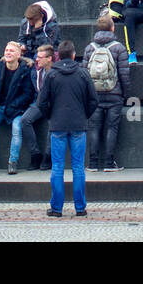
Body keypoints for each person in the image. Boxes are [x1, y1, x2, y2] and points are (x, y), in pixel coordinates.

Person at [34, 38, 98, 217]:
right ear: (74, 55)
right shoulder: (83, 73)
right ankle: (80, 208)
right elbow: (94, 100)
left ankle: (56, 208)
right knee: (78, 167)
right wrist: (84, 114)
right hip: (78, 124)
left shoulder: (51, 75)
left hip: (57, 125)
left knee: (57, 167)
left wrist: (50, 116)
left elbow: (42, 102)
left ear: (57, 56)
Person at [0, 40, 37, 175]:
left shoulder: (25, 70)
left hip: (18, 108)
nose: (8, 53)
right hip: (0, 107)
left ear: (18, 55)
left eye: (11, 51)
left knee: (17, 128)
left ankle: (13, 162)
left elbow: (28, 94)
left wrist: (13, 106)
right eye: (6, 50)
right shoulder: (0, 67)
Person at [84, 14, 131, 173]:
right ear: (112, 28)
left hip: (95, 94)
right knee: (112, 127)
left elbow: (84, 73)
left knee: (94, 128)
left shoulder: (90, 48)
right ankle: (109, 163)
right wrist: (124, 93)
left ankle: (92, 163)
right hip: (114, 93)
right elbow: (124, 74)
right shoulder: (119, 47)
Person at [21, 42, 55, 172]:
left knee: (52, 124)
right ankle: (35, 154)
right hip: (39, 102)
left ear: (49, 59)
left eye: (40, 57)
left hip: (54, 104)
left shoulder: (55, 72)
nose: (37, 59)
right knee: (25, 120)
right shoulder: (35, 71)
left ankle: (48, 156)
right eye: (37, 57)